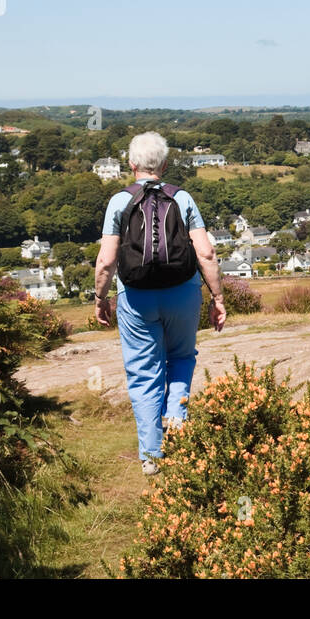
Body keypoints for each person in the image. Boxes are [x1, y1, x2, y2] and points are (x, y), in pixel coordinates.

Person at [94, 132, 225, 476]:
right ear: (164, 166)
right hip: (182, 292)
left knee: (143, 374)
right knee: (181, 357)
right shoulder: (182, 199)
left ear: (132, 165)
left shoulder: (118, 202)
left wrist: (100, 299)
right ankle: (177, 418)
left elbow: (106, 262)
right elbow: (207, 253)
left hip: (135, 297)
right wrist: (218, 298)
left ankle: (152, 457)